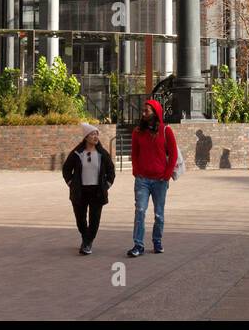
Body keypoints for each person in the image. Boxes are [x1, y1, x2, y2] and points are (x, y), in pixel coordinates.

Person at [128, 99, 177, 258]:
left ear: (155, 113)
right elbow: (134, 153)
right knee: (140, 210)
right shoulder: (137, 132)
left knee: (159, 214)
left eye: (146, 111)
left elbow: (174, 154)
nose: (143, 114)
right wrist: (136, 171)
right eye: (143, 111)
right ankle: (138, 245)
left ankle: (157, 241)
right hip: (142, 179)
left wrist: (167, 174)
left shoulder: (165, 130)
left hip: (160, 180)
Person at [61, 122, 115, 255]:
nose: (96, 136)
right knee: (80, 219)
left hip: (97, 191)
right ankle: (86, 238)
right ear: (86, 137)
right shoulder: (77, 153)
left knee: (94, 219)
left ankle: (87, 243)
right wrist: (71, 182)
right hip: (80, 191)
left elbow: (111, 170)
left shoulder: (102, 154)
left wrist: (106, 185)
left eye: (97, 133)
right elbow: (66, 168)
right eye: (92, 134)